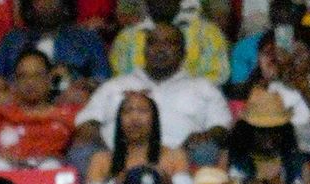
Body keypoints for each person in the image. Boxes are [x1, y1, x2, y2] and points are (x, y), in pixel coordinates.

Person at [74, 22, 231, 154]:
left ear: (183, 53)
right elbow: (87, 121)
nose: (160, 48)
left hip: (183, 164)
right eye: (153, 42)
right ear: (144, 50)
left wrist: (206, 137)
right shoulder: (114, 86)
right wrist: (107, 154)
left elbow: (221, 127)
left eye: (169, 43)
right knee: (82, 152)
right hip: (116, 164)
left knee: (207, 151)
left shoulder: (204, 88)